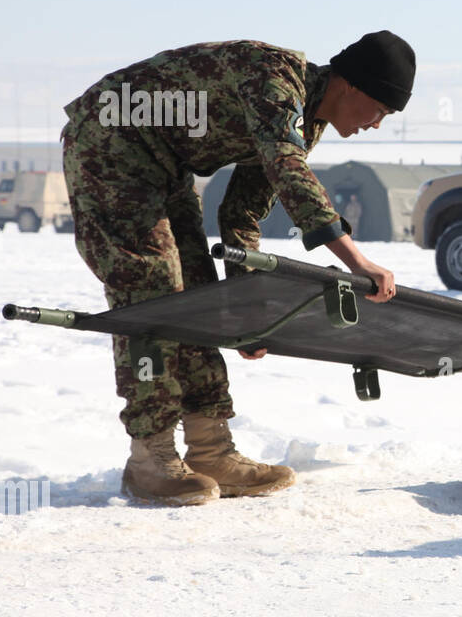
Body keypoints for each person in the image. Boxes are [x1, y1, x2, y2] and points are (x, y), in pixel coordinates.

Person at [61, 31, 416, 505]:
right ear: (350, 86)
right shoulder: (275, 80)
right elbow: (290, 173)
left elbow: (242, 215)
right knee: (152, 289)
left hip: (164, 167)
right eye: (380, 110)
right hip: (109, 142)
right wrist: (358, 260)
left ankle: (210, 449)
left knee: (196, 296)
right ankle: (150, 456)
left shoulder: (304, 122)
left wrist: (246, 312)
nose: (376, 125)